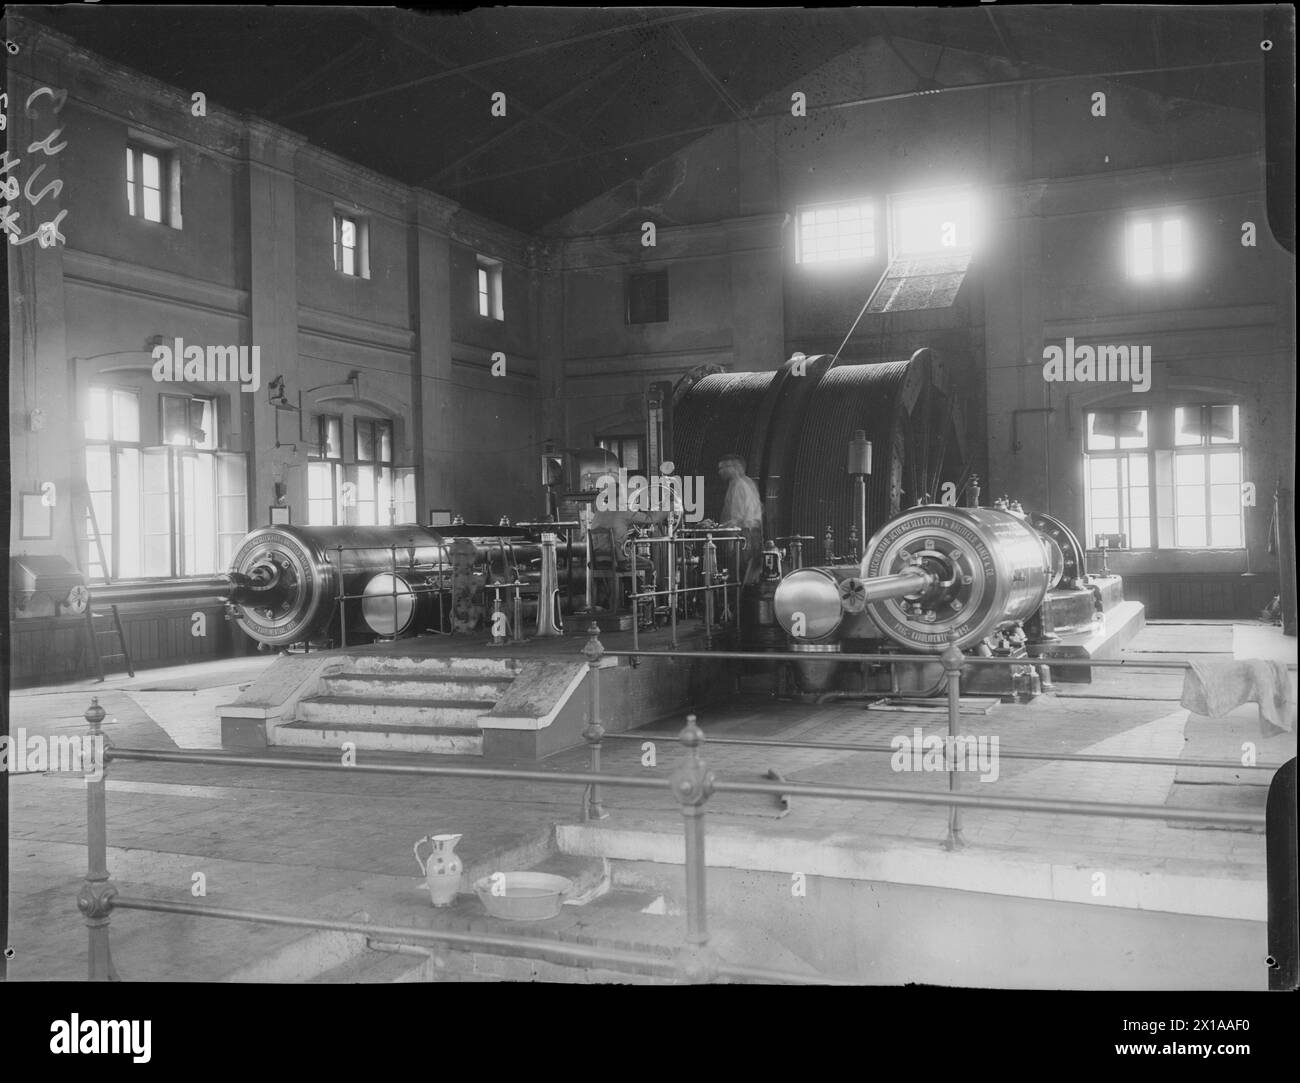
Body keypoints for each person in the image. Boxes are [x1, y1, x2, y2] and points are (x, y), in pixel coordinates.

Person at [717, 453, 764, 586]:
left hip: (744, 536)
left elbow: (737, 518)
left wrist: (722, 529)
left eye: (724, 467)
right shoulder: (748, 482)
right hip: (753, 535)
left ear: (736, 467)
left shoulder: (737, 485)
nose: (720, 471)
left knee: (739, 576)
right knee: (748, 578)